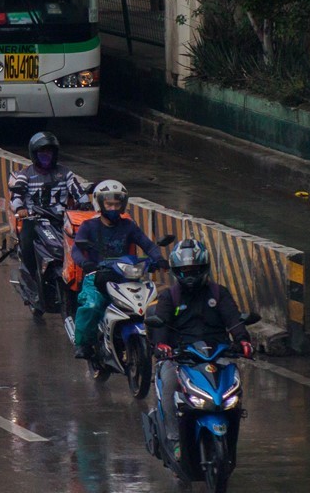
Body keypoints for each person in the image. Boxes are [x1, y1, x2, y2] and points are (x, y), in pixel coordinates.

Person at [146, 240, 254, 460]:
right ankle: (175, 441)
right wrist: (162, 346)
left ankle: (231, 431)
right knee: (169, 386)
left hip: (217, 355)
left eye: (194, 270)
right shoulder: (169, 297)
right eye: (185, 271)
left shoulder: (219, 293)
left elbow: (233, 319)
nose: (190, 275)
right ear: (176, 271)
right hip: (181, 357)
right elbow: (160, 325)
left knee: (234, 389)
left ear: (204, 269)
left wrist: (243, 340)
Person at [70, 179, 164, 358]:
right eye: (109, 204)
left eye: (117, 204)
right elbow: (76, 250)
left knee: (151, 305)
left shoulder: (129, 226)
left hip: (125, 276)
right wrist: (85, 263)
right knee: (92, 305)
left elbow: (148, 245)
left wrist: (159, 259)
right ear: (99, 203)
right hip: (96, 275)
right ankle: (83, 343)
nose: (113, 208)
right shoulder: (88, 226)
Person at [8, 132, 87, 304]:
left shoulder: (65, 173)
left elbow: (78, 192)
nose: (46, 156)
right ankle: (32, 283)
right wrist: (21, 209)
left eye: (49, 152)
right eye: (42, 152)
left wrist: (85, 204)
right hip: (34, 221)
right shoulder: (25, 175)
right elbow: (16, 197)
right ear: (34, 154)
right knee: (27, 244)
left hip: (61, 220)